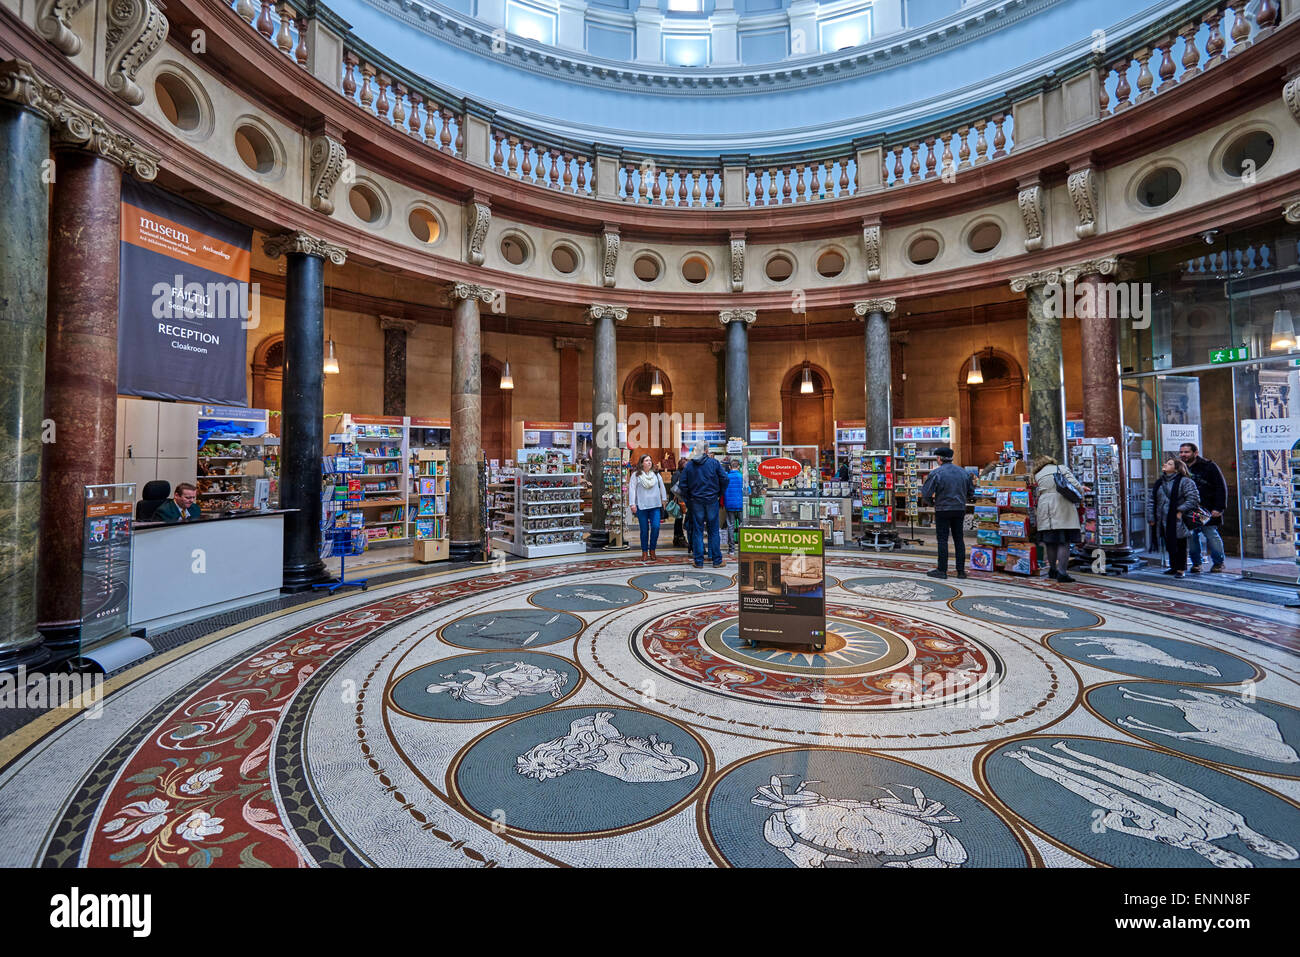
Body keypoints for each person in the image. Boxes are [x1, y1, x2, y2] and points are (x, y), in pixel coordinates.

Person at [919, 447, 975, 579]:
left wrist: (932, 503)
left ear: (939, 459)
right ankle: (961, 571)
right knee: (959, 539)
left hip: (943, 509)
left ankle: (942, 570)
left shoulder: (936, 473)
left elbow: (926, 494)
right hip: (959, 509)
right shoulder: (963, 473)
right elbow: (971, 492)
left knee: (942, 540)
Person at [1031, 455, 1085, 583]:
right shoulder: (1060, 468)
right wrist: (1081, 494)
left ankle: (1053, 570)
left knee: (1050, 542)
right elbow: (1075, 485)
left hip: (1044, 506)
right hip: (1061, 505)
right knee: (1063, 541)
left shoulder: (1038, 474)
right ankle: (1062, 573)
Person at [1178, 442, 1227, 573]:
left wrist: (1219, 507)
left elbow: (1221, 487)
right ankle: (1196, 563)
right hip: (1189, 509)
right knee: (1192, 536)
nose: (1183, 454)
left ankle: (1219, 562)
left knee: (1210, 534)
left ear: (1195, 453)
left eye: (1186, 452)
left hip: (1208, 508)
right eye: (1181, 452)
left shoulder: (1209, 466)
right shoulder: (1180, 468)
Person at [679, 440, 728, 568]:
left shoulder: (689, 466)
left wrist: (689, 498)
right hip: (712, 500)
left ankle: (698, 561)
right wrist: (719, 493)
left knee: (697, 531)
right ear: (706, 451)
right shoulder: (714, 463)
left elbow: (682, 484)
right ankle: (717, 560)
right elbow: (725, 479)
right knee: (713, 531)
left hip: (696, 502)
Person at [1148, 456, 1200, 578]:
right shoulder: (1159, 482)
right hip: (1163, 518)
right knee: (1169, 542)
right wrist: (1151, 517)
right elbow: (1151, 500)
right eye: (1166, 463)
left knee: (1180, 543)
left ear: (1176, 469)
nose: (1165, 464)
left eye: (1169, 464)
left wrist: (1180, 510)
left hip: (1177, 518)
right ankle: (1173, 566)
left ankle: (1181, 569)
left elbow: (1193, 499)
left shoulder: (1185, 481)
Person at [628, 454, 667, 560]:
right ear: (641, 463)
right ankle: (644, 551)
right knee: (644, 530)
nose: (649, 462)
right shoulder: (636, 475)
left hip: (655, 505)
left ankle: (652, 550)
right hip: (642, 506)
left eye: (650, 460)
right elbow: (632, 489)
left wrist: (664, 499)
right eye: (646, 460)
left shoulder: (656, 474)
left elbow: (662, 486)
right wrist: (632, 504)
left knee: (656, 527)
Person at [722, 457, 743, 555]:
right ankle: (743, 547)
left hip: (729, 505)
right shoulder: (742, 477)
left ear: (730, 467)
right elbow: (749, 491)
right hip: (741, 505)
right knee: (742, 526)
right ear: (738, 467)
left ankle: (731, 549)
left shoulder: (726, 477)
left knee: (730, 526)